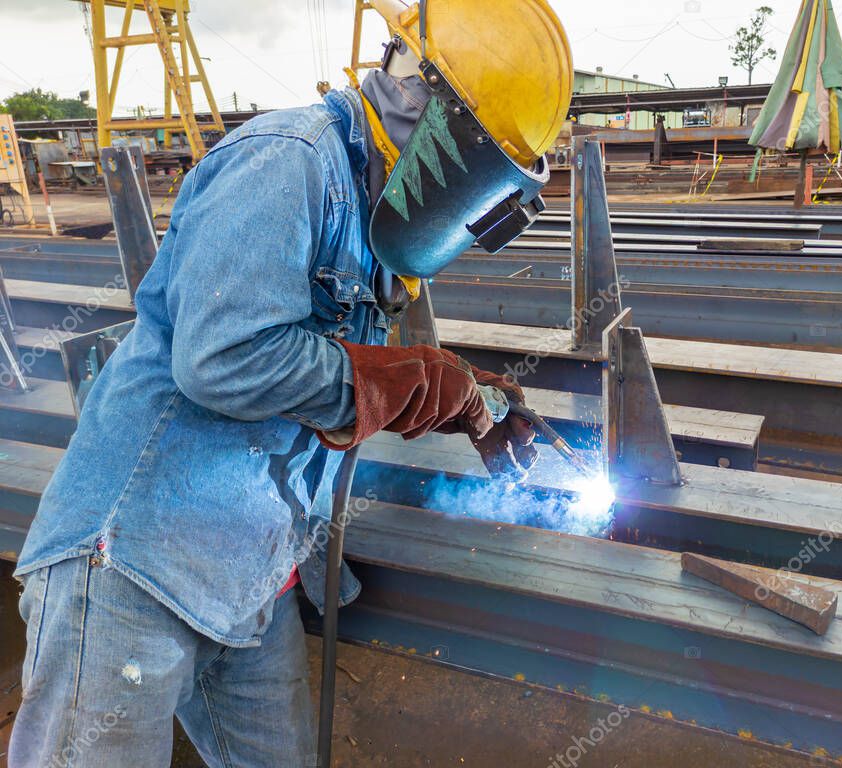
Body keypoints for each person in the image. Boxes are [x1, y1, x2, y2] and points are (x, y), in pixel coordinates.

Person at [9, 0, 572, 765]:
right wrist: (416, 379)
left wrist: (468, 397)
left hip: (251, 573)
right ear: (422, 98)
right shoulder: (291, 161)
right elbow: (225, 358)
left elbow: (328, 370)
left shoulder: (372, 206)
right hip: (135, 564)